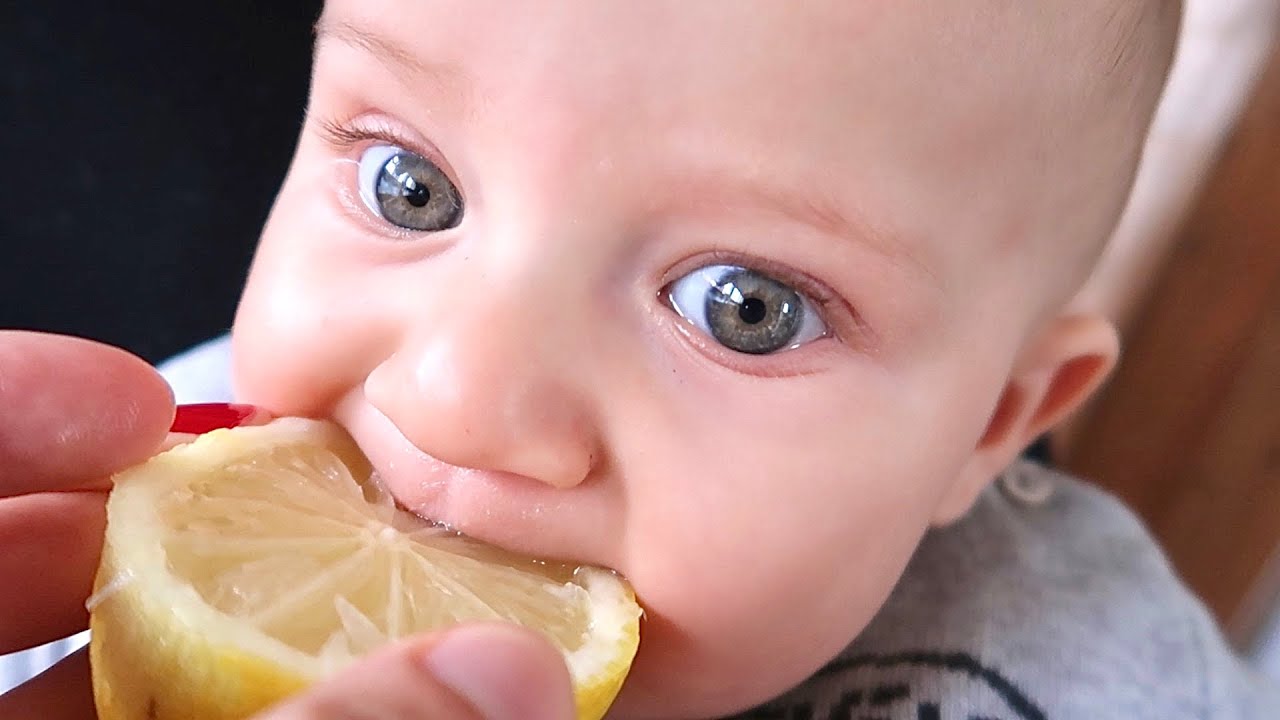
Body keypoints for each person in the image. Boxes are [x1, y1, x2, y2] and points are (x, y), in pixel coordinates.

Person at [3, 1, 1278, 718]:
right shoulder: (160, 518)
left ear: (993, 422)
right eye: (411, 187)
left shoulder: (1094, 676)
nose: (457, 399)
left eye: (745, 308)